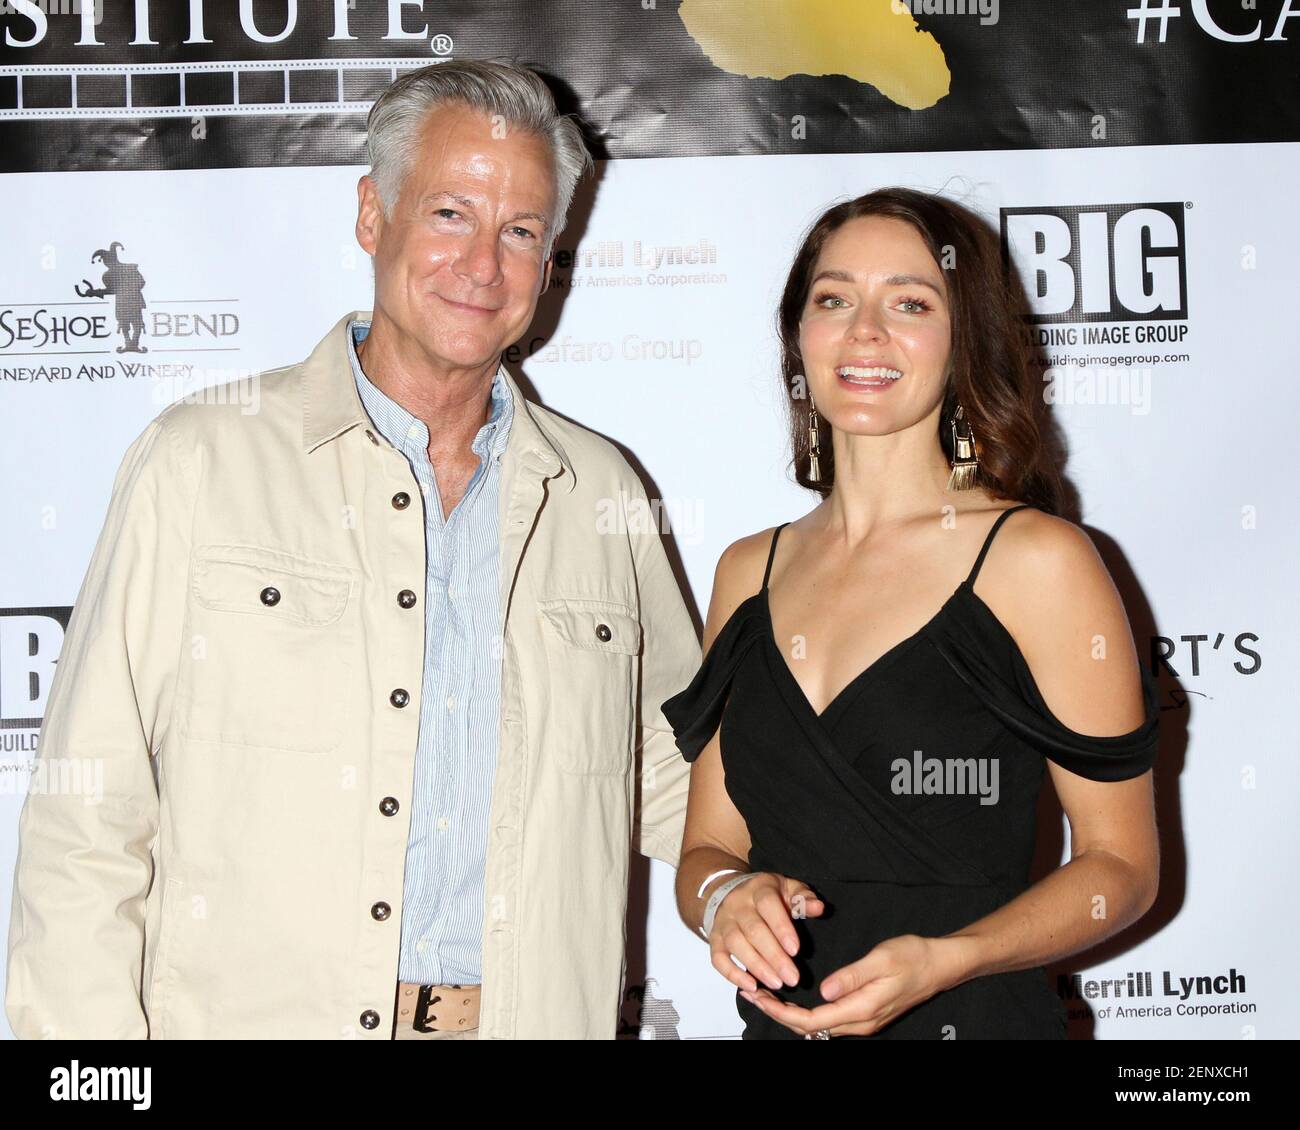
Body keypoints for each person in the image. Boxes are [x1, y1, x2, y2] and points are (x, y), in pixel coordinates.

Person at [5, 59, 700, 1041]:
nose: (483, 266)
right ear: (372, 215)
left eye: (521, 232)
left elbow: (678, 766)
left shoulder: (600, 491)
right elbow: (88, 823)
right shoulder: (201, 460)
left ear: (552, 258)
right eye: (450, 214)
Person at [662, 188, 1161, 1040]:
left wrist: (952, 957)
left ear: (964, 341)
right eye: (834, 299)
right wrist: (726, 900)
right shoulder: (746, 572)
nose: (865, 331)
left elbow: (1123, 867)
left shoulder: (1037, 561)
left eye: (910, 302)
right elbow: (705, 847)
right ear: (800, 339)